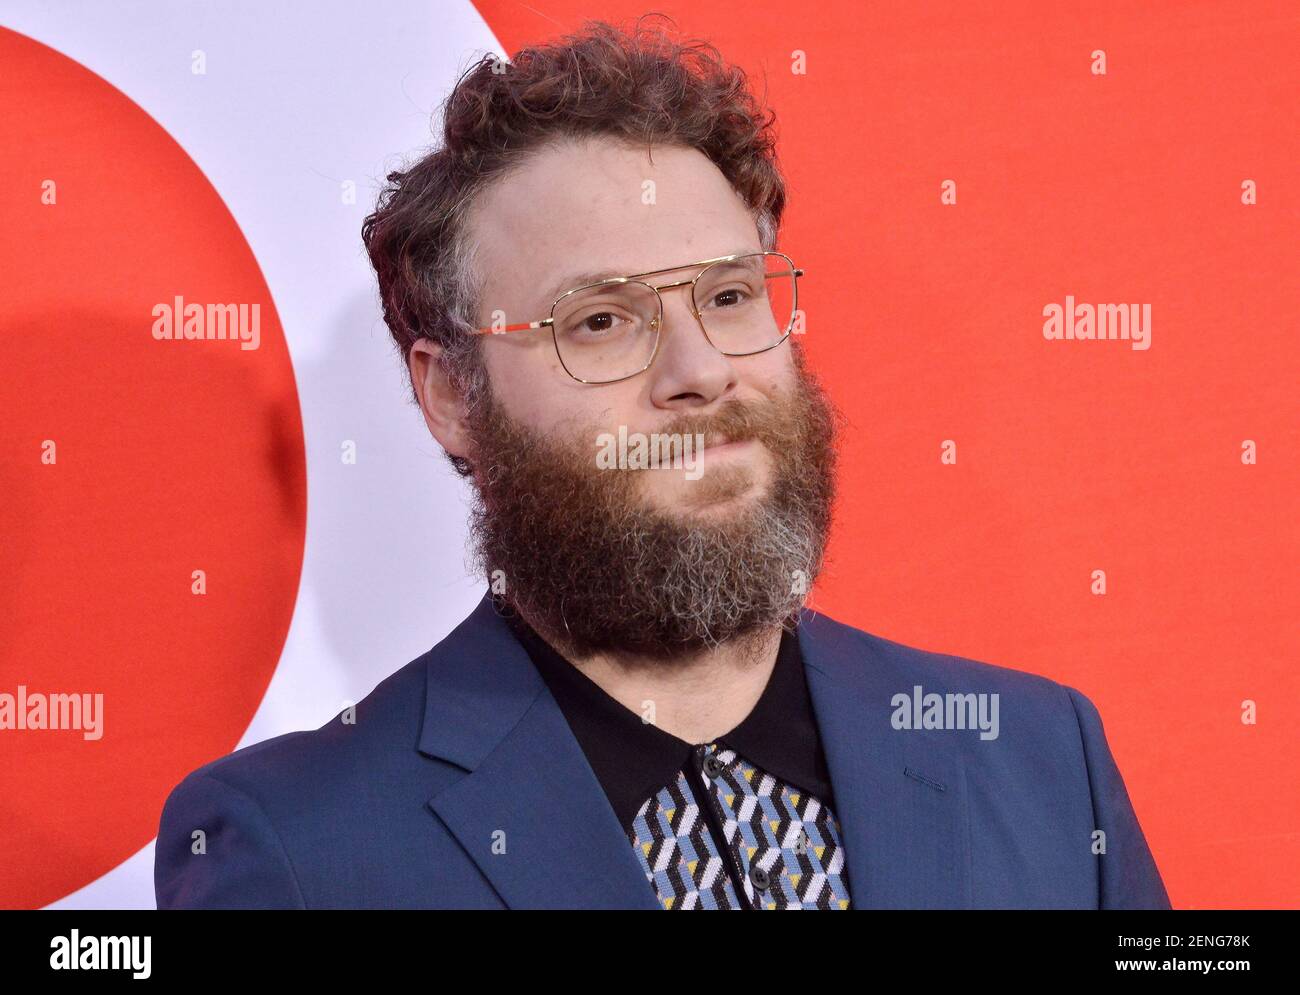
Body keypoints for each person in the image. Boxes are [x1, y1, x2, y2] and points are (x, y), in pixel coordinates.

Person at [154, 16, 1170, 910]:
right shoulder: (299, 850)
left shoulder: (1036, 758)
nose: (699, 372)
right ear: (452, 396)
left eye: (729, 298)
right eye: (601, 321)